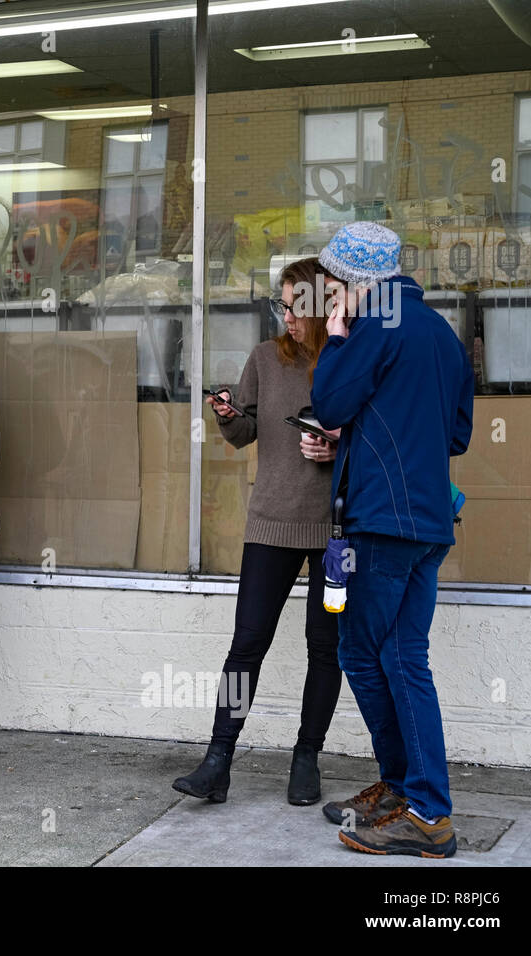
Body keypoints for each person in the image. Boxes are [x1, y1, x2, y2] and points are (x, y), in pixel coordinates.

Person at [310, 222, 474, 859]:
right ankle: (417, 798)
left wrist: (340, 334)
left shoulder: (373, 326)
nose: (328, 298)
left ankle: (423, 805)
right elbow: (455, 436)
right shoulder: (440, 331)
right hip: (428, 525)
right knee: (405, 660)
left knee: (358, 652)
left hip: (382, 523)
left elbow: (328, 401)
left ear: (353, 282)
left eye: (333, 286)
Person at [171, 258, 342, 806]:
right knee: (246, 644)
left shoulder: (350, 359)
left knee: (326, 647)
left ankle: (305, 758)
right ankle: (217, 760)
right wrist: (226, 413)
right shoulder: (265, 359)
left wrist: (337, 447)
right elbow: (244, 431)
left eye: (295, 305)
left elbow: (375, 437)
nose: (286, 316)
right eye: (281, 305)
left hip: (339, 530)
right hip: (271, 520)